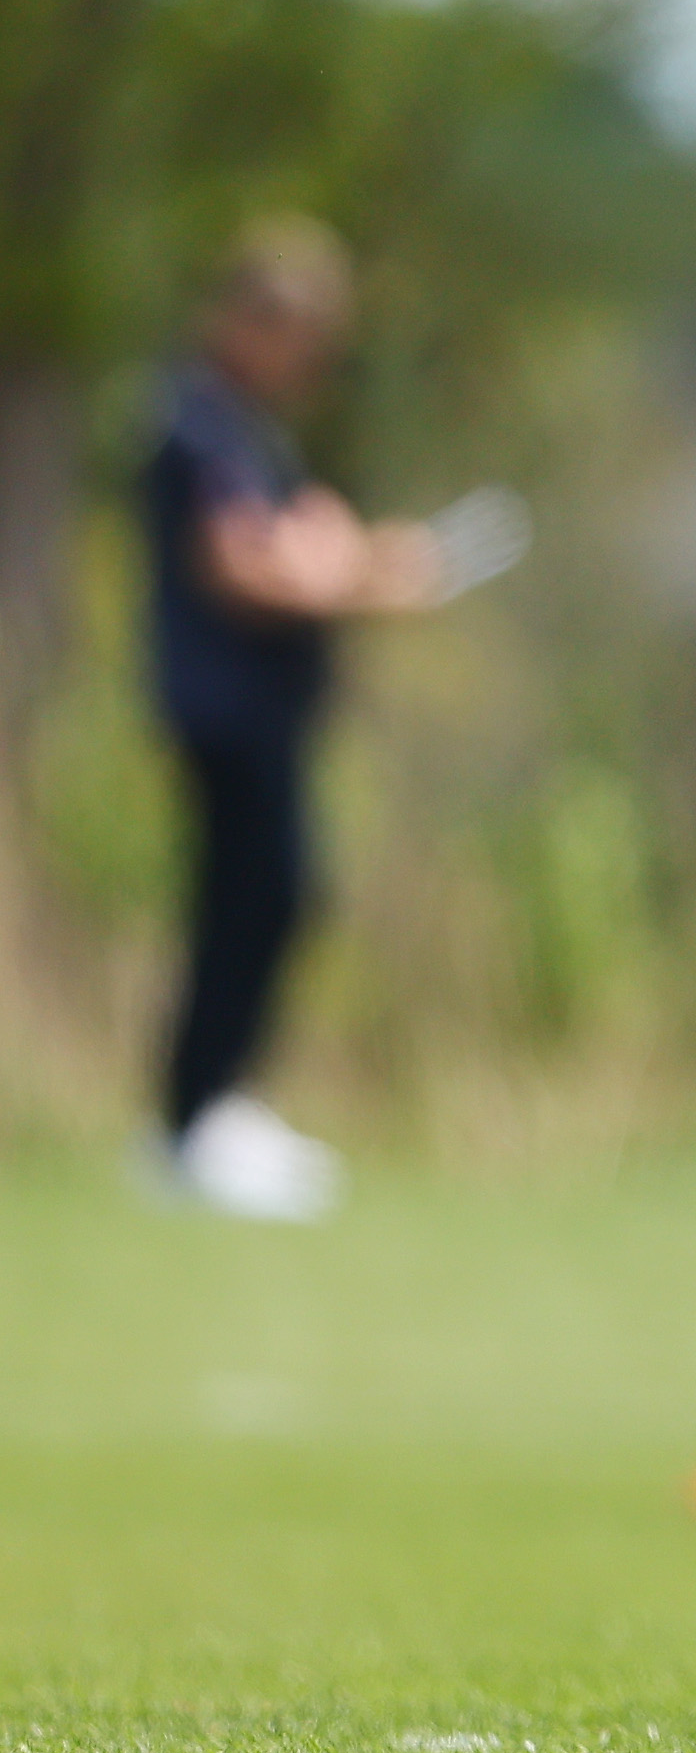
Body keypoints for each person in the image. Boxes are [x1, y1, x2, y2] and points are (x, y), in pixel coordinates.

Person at [141, 217, 492, 1220]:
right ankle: (195, 1119)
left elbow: (293, 536)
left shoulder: (247, 428)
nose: (307, 364)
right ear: (246, 320)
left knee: (275, 896)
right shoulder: (198, 420)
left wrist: (355, 556)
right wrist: (368, 580)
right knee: (251, 898)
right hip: (225, 707)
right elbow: (240, 564)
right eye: (298, 338)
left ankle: (217, 1109)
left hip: (264, 709)